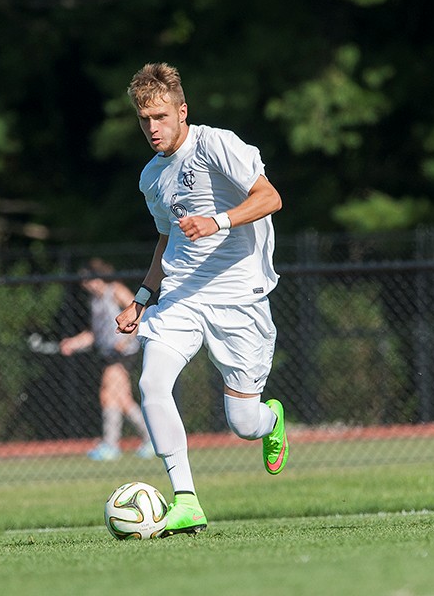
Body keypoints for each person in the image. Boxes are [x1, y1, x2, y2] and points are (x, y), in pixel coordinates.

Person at [115, 62, 288, 538]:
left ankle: (271, 419)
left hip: (239, 299)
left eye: (161, 117)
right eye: (144, 119)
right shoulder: (152, 177)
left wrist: (219, 220)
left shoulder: (216, 144)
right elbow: (165, 241)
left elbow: (270, 197)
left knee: (243, 423)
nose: (153, 127)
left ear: (181, 111)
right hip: (183, 297)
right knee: (151, 383)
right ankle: (185, 499)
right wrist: (142, 299)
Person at [59, 258, 153, 461]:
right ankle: (151, 439)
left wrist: (126, 340)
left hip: (124, 353)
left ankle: (112, 445)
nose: (86, 286)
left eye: (88, 280)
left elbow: (139, 313)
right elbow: (95, 333)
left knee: (108, 394)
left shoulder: (115, 290)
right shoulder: (95, 302)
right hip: (109, 354)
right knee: (123, 400)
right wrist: (73, 343)